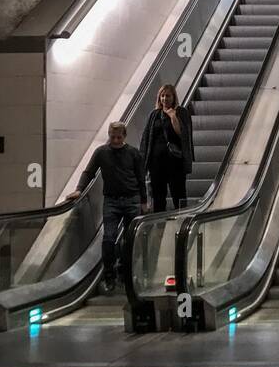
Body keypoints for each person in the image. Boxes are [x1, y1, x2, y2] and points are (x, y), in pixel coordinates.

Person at [67, 121, 147, 292]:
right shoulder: (101, 152)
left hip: (132, 199)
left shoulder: (133, 153)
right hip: (111, 200)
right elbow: (89, 172)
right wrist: (79, 190)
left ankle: (126, 274)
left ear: (124, 136)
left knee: (130, 239)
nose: (116, 141)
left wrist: (144, 201)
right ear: (109, 135)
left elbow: (141, 178)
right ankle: (109, 275)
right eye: (112, 137)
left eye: (119, 137)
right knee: (109, 238)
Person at [140, 83, 193, 212]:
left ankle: (182, 223)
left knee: (179, 195)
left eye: (168, 96)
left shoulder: (182, 112)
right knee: (158, 198)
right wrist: (142, 163)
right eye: (162, 96)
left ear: (174, 97)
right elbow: (146, 138)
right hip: (156, 164)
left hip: (176, 163)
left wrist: (173, 116)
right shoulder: (154, 115)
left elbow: (183, 134)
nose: (164, 99)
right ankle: (159, 227)